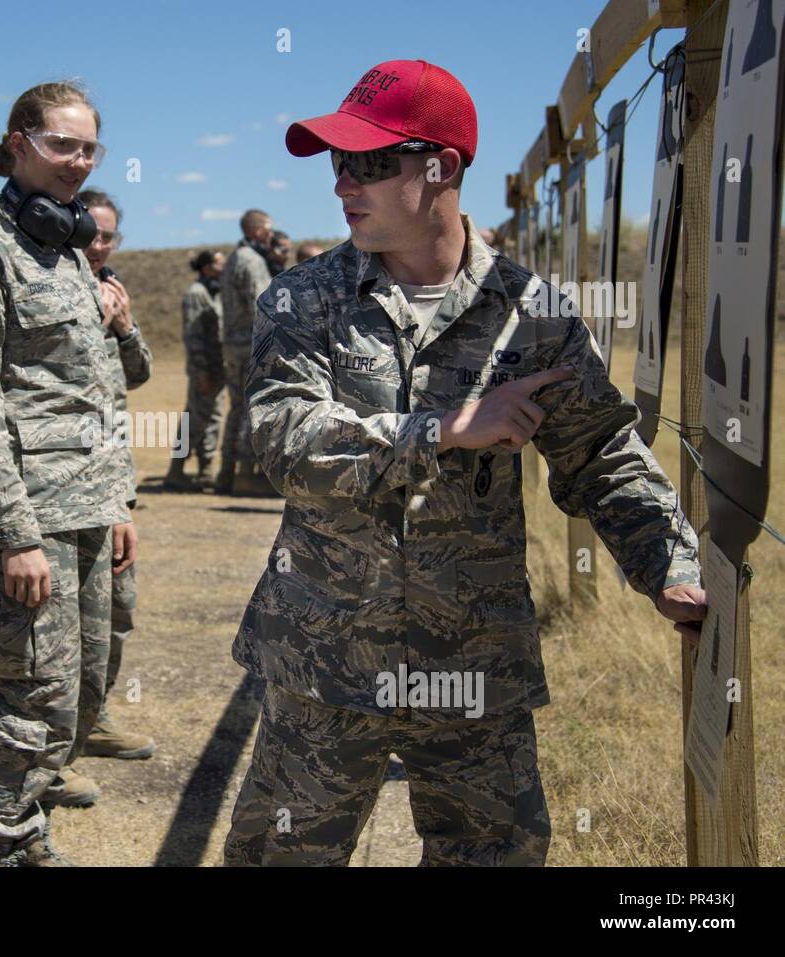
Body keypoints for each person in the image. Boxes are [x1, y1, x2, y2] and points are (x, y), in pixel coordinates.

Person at [224, 59, 707, 866]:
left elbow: (600, 453)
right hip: (326, 663)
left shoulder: (534, 316)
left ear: (439, 166)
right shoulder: (300, 300)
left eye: (369, 163)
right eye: (337, 162)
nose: (344, 183)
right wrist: (444, 430)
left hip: (474, 665)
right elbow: (283, 440)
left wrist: (667, 564)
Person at [0, 81, 138, 867]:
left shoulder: (70, 255)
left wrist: (118, 497)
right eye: (63, 145)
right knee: (25, 694)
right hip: (26, 524)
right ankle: (1, 847)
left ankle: (27, 835)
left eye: (90, 149)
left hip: (88, 511)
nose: (79, 163)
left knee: (75, 693)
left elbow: (97, 393)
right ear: (18, 143)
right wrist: (14, 536)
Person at [76, 188, 158, 763]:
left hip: (115, 485)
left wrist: (125, 327)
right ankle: (62, 737)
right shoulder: (53, 291)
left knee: (116, 611)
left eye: (109, 236)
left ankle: (95, 716)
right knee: (75, 621)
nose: (100, 245)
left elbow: (139, 375)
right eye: (92, 234)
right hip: (72, 485)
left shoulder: (113, 288)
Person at [217, 209, 277, 497]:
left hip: (232, 342)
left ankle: (225, 473)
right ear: (255, 231)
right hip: (251, 343)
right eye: (267, 229)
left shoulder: (233, 258)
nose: (271, 235)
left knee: (237, 409)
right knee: (250, 410)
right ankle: (243, 475)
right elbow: (261, 306)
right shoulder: (252, 261)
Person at [165, 250, 225, 490]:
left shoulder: (217, 293)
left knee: (213, 417)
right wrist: (201, 371)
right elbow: (193, 335)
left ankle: (205, 469)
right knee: (195, 418)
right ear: (206, 267)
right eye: (220, 263)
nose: (224, 267)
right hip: (204, 368)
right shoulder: (196, 294)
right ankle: (176, 469)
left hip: (219, 366)